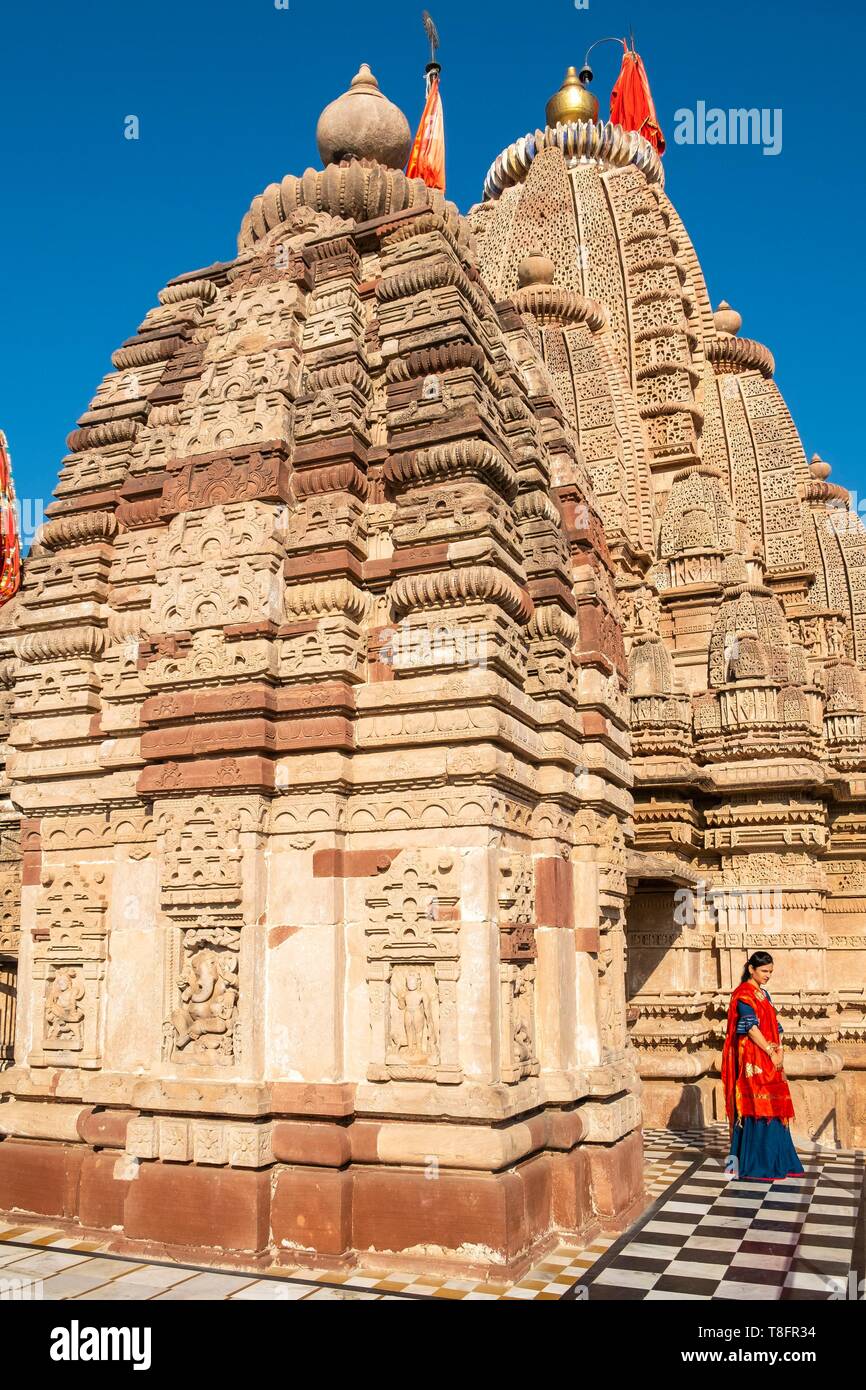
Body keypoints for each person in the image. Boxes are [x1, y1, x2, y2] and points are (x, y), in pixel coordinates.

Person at [720, 951, 805, 1181]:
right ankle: (757, 1165)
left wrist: (781, 1051)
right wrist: (769, 1051)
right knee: (759, 1107)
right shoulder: (743, 995)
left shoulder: (763, 994)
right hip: (753, 1059)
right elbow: (749, 1027)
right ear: (751, 969)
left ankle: (781, 1161)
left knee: (775, 1108)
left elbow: (776, 1026)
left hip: (771, 1058)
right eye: (764, 971)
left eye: (770, 972)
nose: (768, 975)